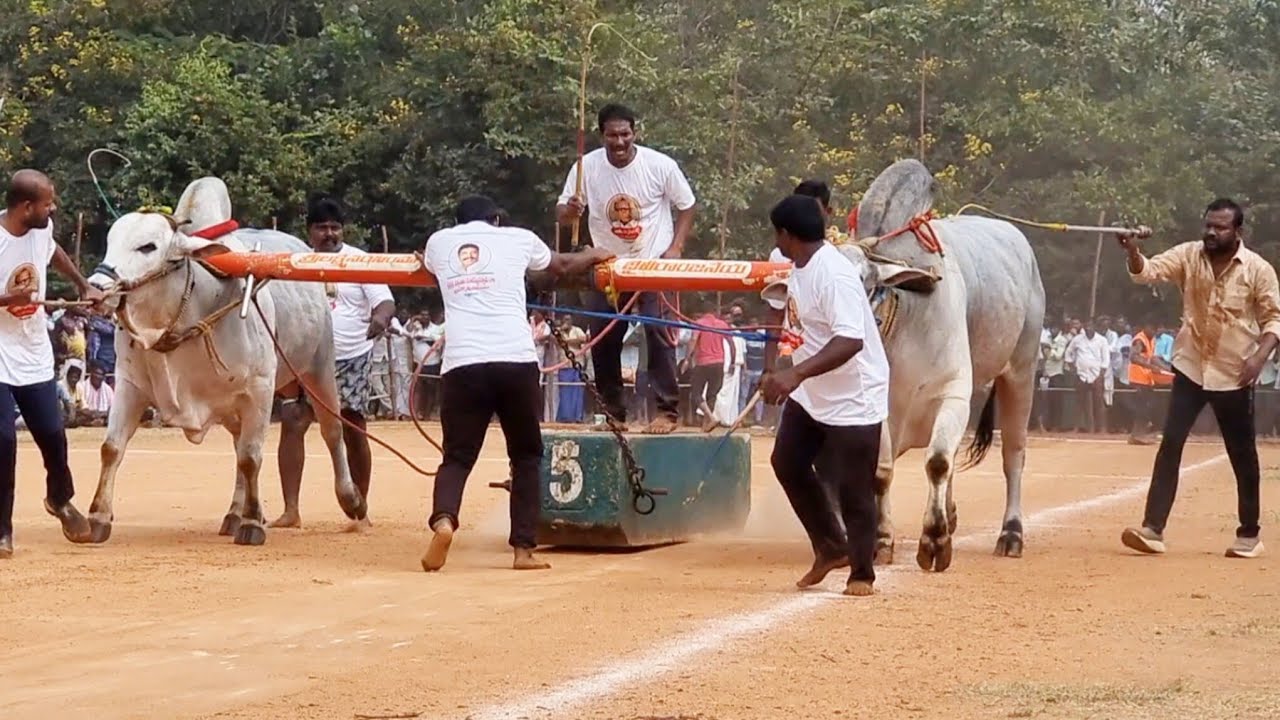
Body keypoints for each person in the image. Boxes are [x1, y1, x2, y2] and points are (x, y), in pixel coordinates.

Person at [420, 195, 613, 572]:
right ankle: (523, 550)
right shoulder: (518, 237)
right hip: (515, 359)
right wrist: (595, 253)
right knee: (525, 456)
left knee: (457, 457)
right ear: (495, 219)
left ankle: (444, 520)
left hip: (462, 363)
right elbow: (559, 265)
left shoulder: (439, 242)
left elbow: (425, 264)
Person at [1117, 198, 1280, 559]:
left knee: (1242, 454)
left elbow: (1274, 321)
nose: (1211, 232)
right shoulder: (1190, 256)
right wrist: (1133, 251)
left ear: (1238, 231)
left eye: (1220, 227)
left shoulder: (1258, 270)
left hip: (1234, 373)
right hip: (1191, 366)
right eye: (1208, 225)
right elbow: (1148, 271)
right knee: (1171, 443)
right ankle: (1152, 529)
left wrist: (1258, 357)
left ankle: (1248, 534)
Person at [760, 194, 890, 597]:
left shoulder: (833, 274)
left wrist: (794, 373)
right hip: (814, 392)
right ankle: (831, 545)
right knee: (787, 461)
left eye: (776, 234)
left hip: (854, 395)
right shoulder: (799, 266)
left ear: (787, 234)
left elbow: (850, 340)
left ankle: (862, 573)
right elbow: (795, 322)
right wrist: (777, 371)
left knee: (855, 487)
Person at [556, 103, 696, 434]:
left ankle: (667, 412)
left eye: (625, 134)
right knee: (603, 339)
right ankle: (613, 414)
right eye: (611, 136)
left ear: (635, 132)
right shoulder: (585, 168)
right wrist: (570, 210)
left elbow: (687, 205)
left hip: (652, 265)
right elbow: (563, 211)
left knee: (659, 335)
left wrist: (675, 248)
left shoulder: (660, 165)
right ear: (601, 135)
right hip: (607, 266)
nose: (619, 142)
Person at [274, 193, 396, 528]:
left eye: (335, 227)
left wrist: (380, 320)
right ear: (309, 231)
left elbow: (385, 301)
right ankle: (291, 511)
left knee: (353, 428)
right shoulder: (294, 261)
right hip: (302, 358)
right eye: (321, 228)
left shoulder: (359, 261)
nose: (329, 234)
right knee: (293, 423)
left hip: (349, 357)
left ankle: (361, 510)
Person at [0, 169, 101, 557]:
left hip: (33, 354)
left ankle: (59, 499)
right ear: (26, 207)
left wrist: (81, 284)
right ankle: (2, 531)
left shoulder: (41, 229)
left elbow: (52, 249)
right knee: (3, 441)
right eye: (47, 202)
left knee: (53, 437)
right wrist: (7, 302)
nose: (53, 207)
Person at [684, 305, 735, 431]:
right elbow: (732, 344)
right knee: (712, 394)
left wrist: (687, 359)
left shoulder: (699, 323)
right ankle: (706, 424)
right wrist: (732, 362)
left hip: (703, 363)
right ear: (715, 312)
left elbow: (693, 340)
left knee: (696, 393)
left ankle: (710, 419)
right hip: (719, 363)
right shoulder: (722, 324)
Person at [1065, 320, 1110, 433]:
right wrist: (1072, 367)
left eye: (1091, 326)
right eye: (1087, 326)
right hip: (1081, 375)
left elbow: (1106, 359)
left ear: (1095, 327)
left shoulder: (1102, 340)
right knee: (1079, 402)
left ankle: (1102, 428)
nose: (1089, 328)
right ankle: (1077, 427)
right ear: (1084, 327)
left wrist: (1101, 375)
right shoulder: (1078, 339)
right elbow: (1068, 352)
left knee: (1099, 403)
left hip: (1096, 375)